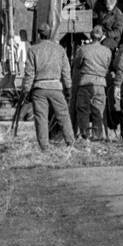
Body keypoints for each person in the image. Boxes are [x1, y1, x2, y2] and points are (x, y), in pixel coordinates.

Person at [22, 22, 75, 151]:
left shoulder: (33, 50)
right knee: (63, 115)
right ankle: (70, 143)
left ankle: (44, 147)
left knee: (41, 118)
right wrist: (68, 88)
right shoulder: (60, 49)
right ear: (50, 34)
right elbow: (66, 71)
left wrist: (26, 90)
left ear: (39, 34)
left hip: (39, 88)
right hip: (56, 87)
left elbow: (29, 73)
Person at [72, 26, 114, 141]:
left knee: (83, 110)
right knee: (98, 110)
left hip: (85, 83)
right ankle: (97, 135)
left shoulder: (82, 49)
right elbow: (107, 66)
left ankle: (85, 135)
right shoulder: (107, 51)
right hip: (100, 84)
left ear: (91, 36)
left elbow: (77, 64)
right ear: (101, 37)